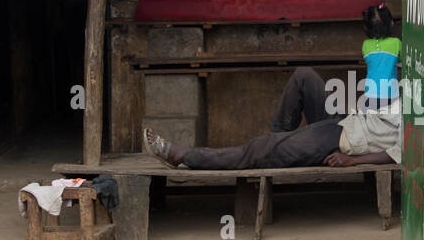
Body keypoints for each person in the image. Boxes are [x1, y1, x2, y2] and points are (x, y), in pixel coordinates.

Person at [143, 52, 401, 171]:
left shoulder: (422, 121)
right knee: (304, 76)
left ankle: (183, 156)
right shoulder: (412, 90)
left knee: (256, 149)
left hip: (342, 140)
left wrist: (351, 161)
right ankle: (277, 142)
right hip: (345, 121)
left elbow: (396, 155)